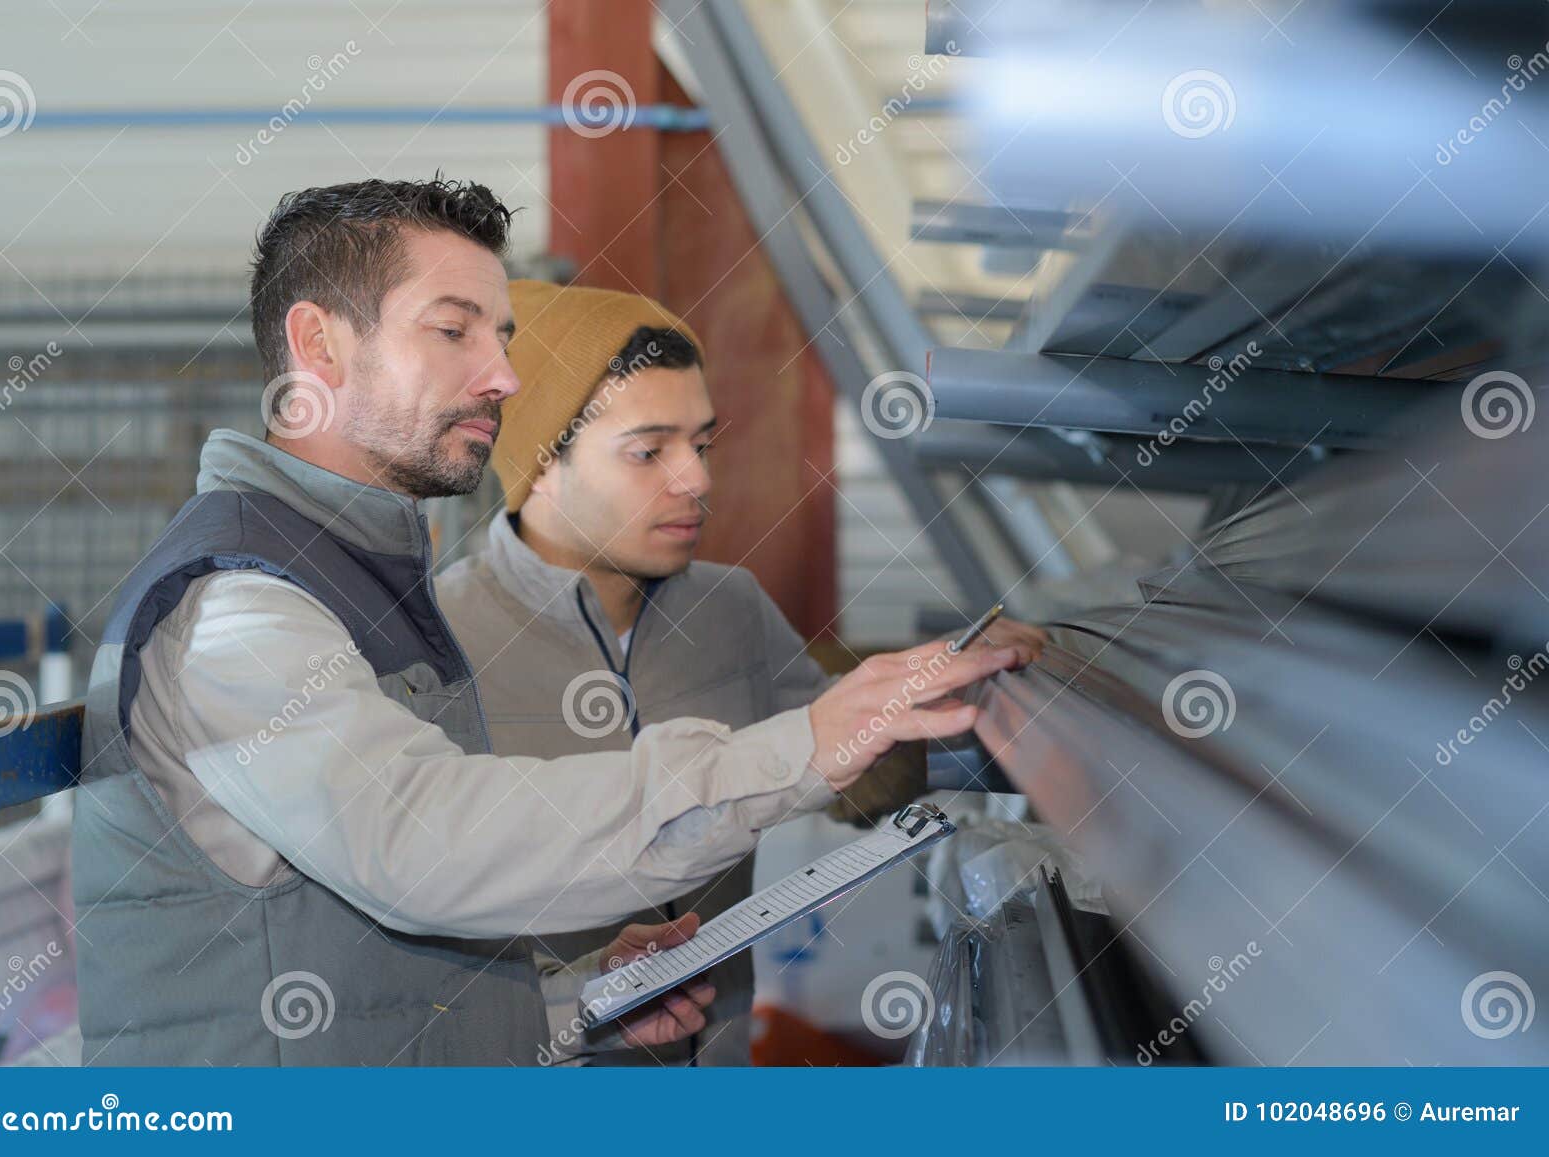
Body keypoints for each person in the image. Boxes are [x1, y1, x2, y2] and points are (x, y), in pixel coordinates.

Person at [68, 178, 1027, 1066]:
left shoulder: (360, 580)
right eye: (455, 332)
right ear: (320, 344)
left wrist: (576, 1002)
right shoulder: (238, 606)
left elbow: (372, 957)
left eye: (502, 334)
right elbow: (421, 847)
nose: (505, 376)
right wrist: (802, 745)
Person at [435, 280, 1046, 1065]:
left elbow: (855, 780)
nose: (696, 480)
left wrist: (951, 700)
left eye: (703, 444)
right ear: (544, 464)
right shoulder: (439, 647)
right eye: (649, 450)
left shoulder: (731, 609)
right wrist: (576, 1006)